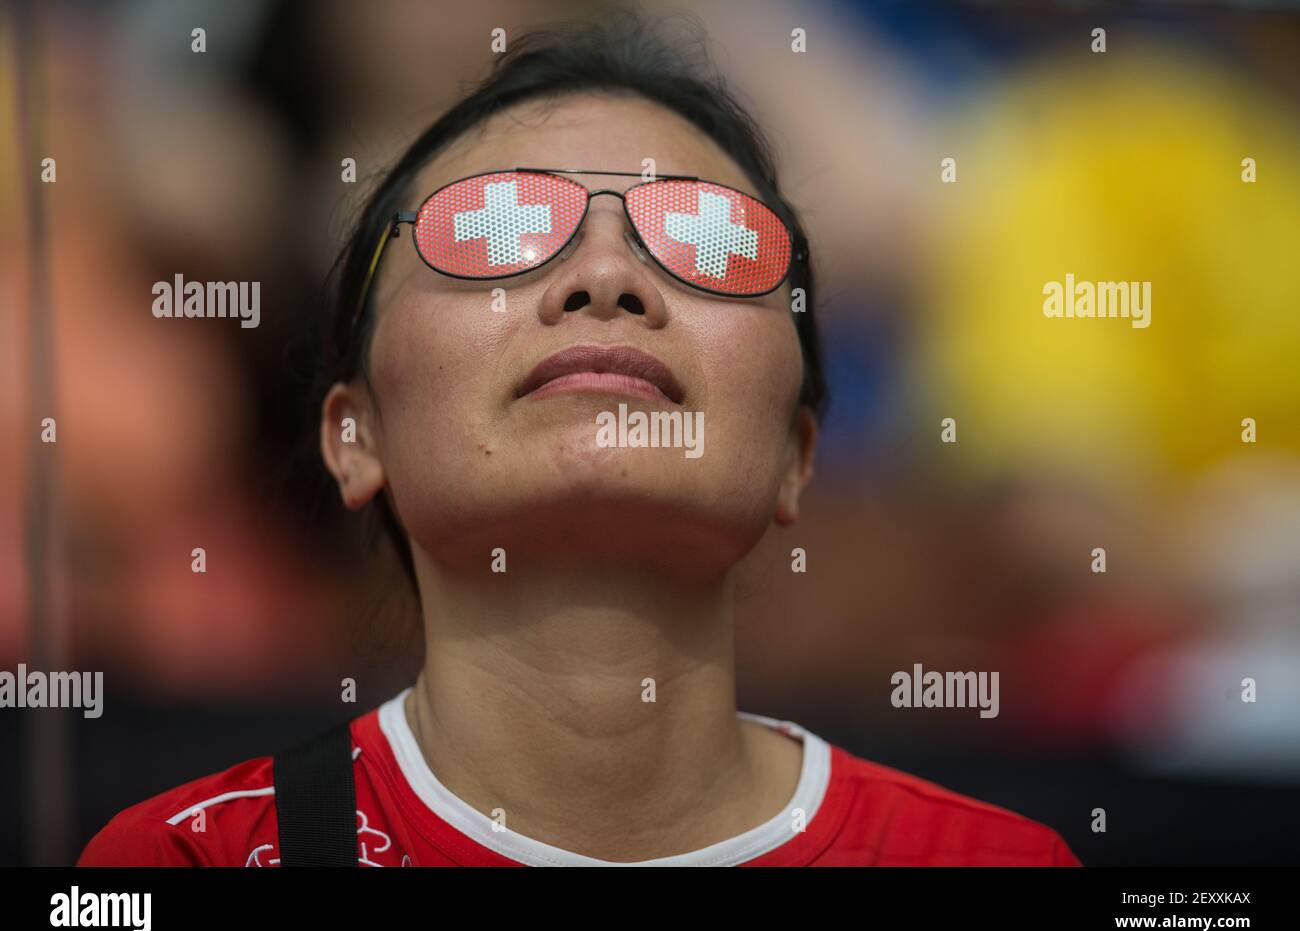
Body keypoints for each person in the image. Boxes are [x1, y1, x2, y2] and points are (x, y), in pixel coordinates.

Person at [78, 18, 1080, 867]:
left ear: (797, 452)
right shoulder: (190, 856)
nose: (605, 274)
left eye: (705, 239)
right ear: (354, 435)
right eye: (496, 230)